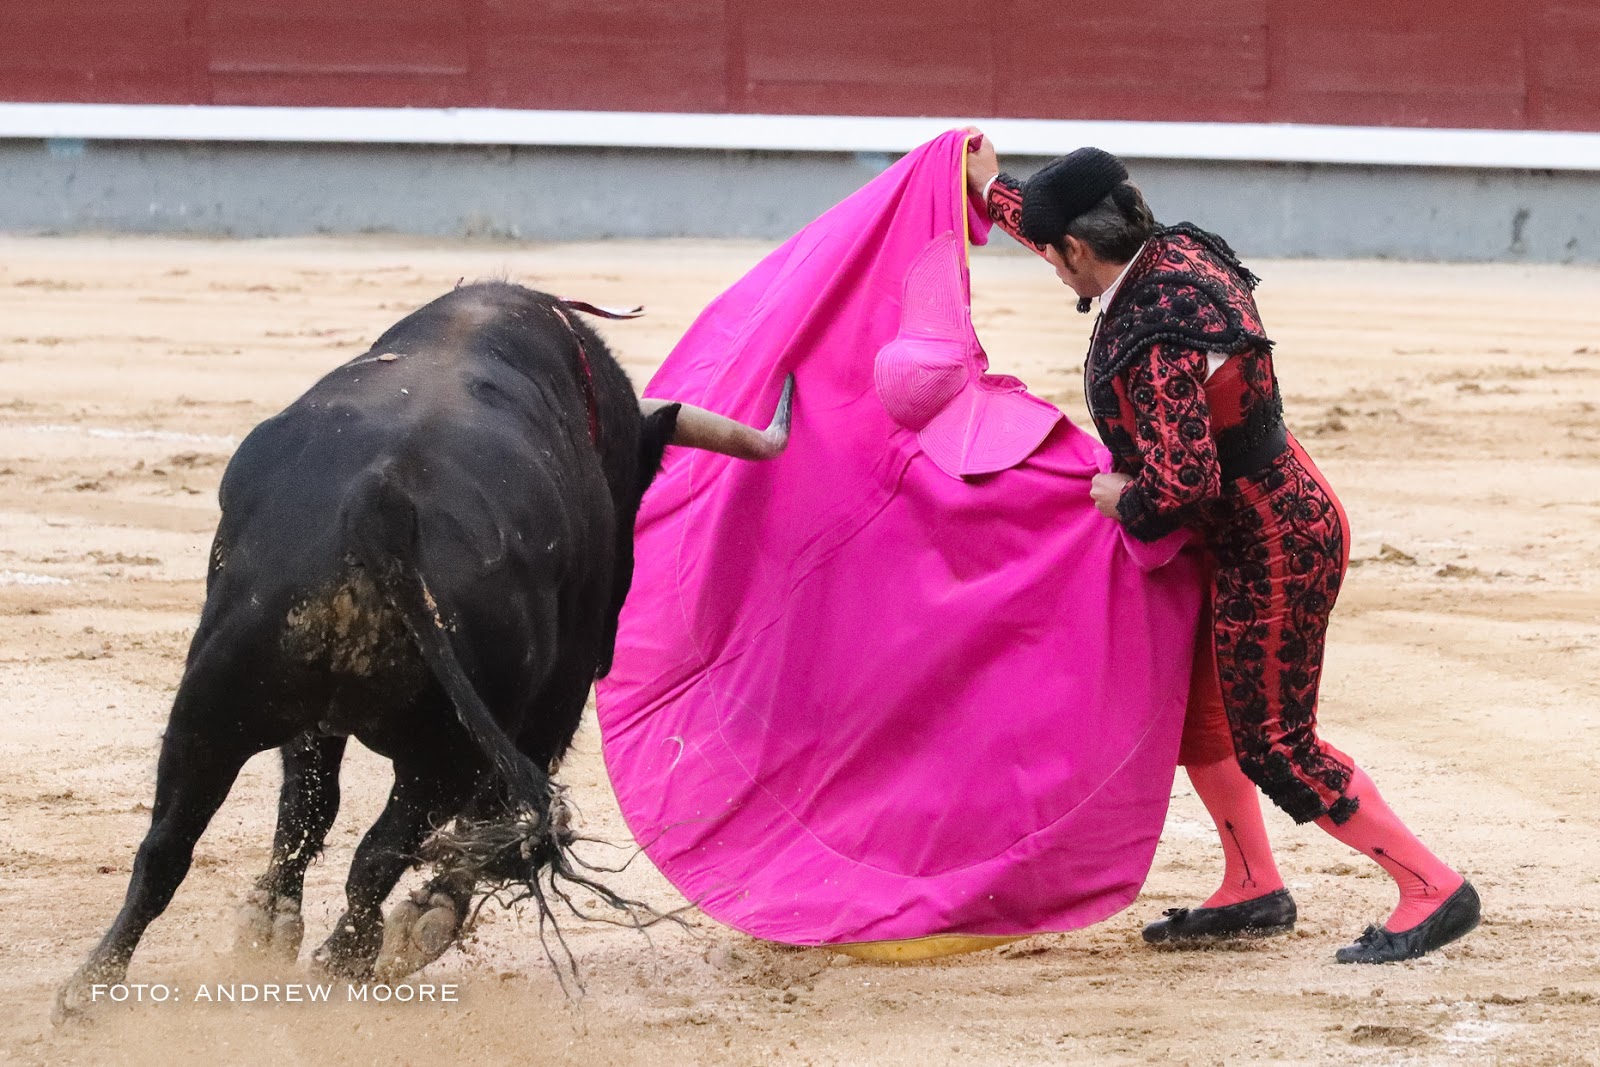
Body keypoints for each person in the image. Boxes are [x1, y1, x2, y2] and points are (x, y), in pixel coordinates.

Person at [961, 133, 1480, 964]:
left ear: (1084, 248)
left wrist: (1118, 497)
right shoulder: (1171, 250)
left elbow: (1185, 482)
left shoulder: (1155, 338)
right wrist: (993, 190)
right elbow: (1065, 227)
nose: (1055, 271)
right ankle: (1251, 883)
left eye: (1058, 258)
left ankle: (1431, 885)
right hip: (1266, 520)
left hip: (1274, 545)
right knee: (1208, 721)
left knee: (1278, 741)